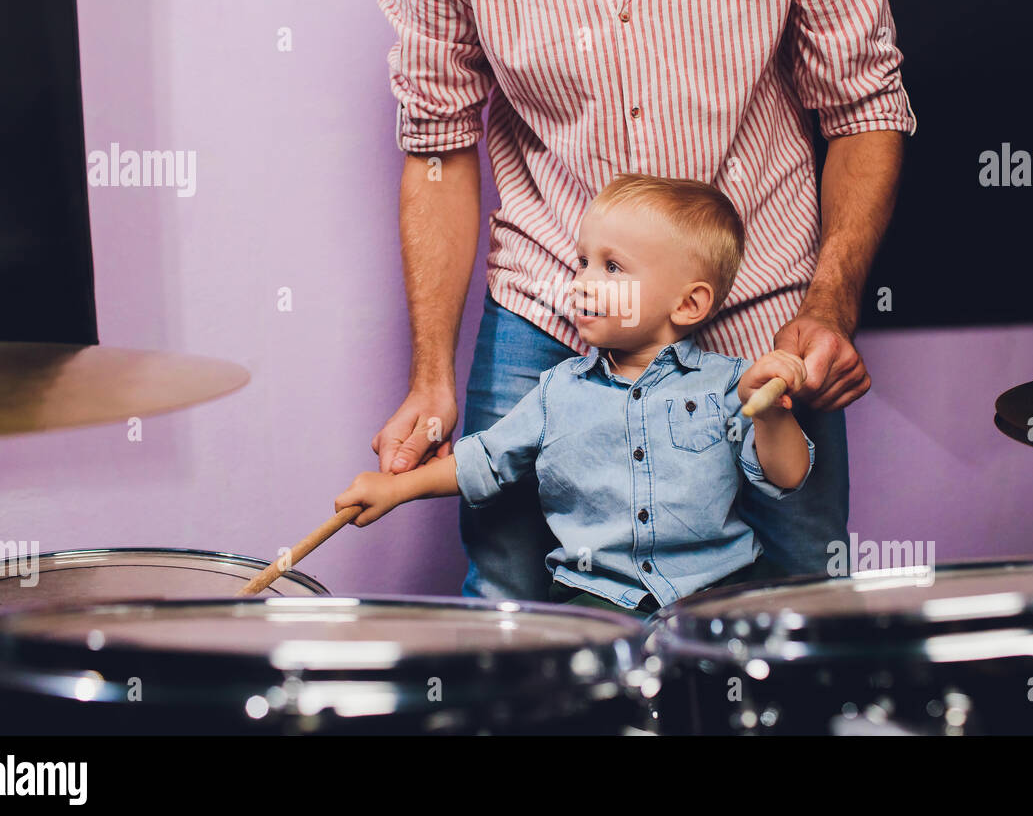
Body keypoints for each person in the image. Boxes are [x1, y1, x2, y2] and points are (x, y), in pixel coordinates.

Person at [369, 0, 915, 601]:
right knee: (507, 606)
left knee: (800, 609)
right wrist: (430, 378)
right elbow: (438, 143)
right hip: (550, 300)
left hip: (763, 305)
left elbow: (861, 106)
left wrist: (831, 303)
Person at [336, 175, 813, 619]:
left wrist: (771, 415)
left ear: (688, 304)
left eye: (612, 267)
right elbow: (482, 459)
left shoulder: (729, 383)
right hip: (597, 598)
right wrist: (397, 488)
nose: (582, 282)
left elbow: (788, 476)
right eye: (582, 263)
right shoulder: (556, 392)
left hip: (720, 592)